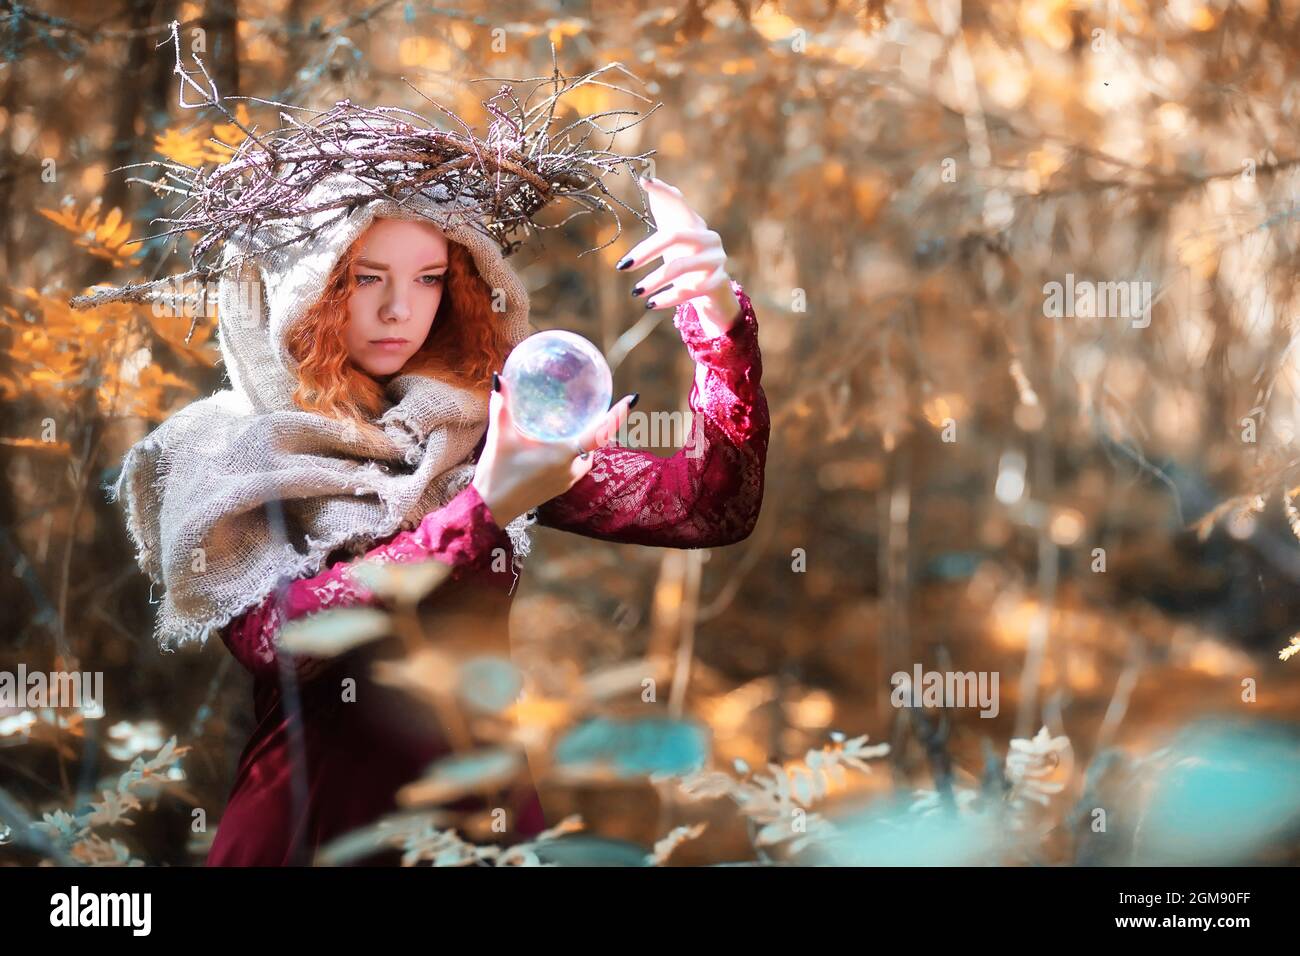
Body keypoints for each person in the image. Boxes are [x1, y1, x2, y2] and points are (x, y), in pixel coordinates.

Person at [114, 153, 769, 865]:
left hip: (484, 834)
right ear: (301, 285)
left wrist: (718, 318)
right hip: (312, 836)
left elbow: (711, 505)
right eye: (367, 278)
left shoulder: (468, 430)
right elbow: (280, 639)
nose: (402, 310)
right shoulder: (222, 451)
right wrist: (484, 508)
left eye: (428, 278)